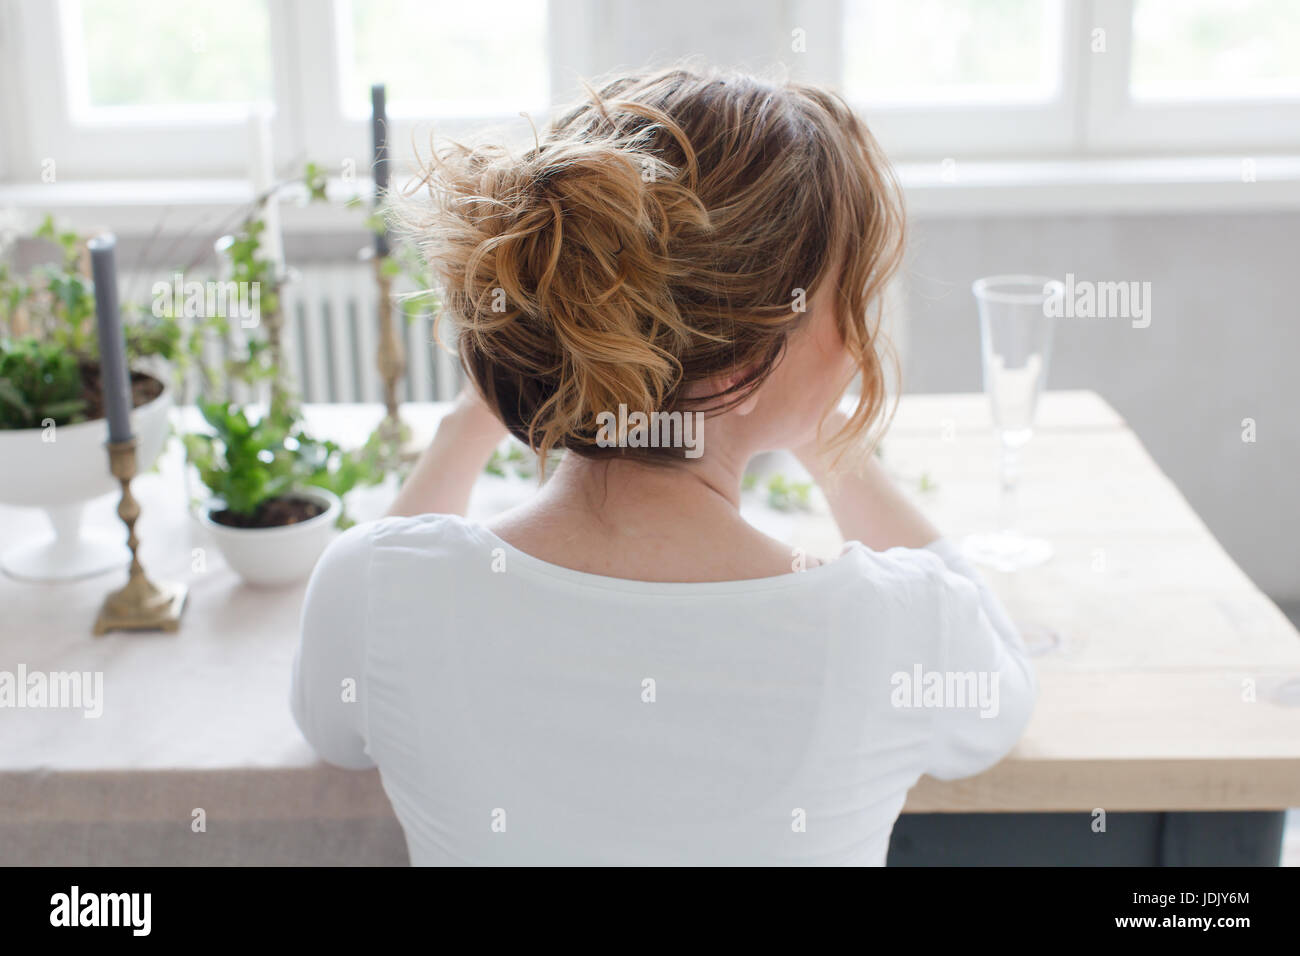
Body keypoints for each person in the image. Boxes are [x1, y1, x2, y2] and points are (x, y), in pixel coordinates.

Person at [292, 67, 1036, 865]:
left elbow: (334, 734)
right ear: (749, 356)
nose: (857, 341)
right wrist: (830, 443)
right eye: (846, 298)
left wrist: (468, 426)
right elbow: (1005, 695)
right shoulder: (900, 628)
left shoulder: (379, 588)